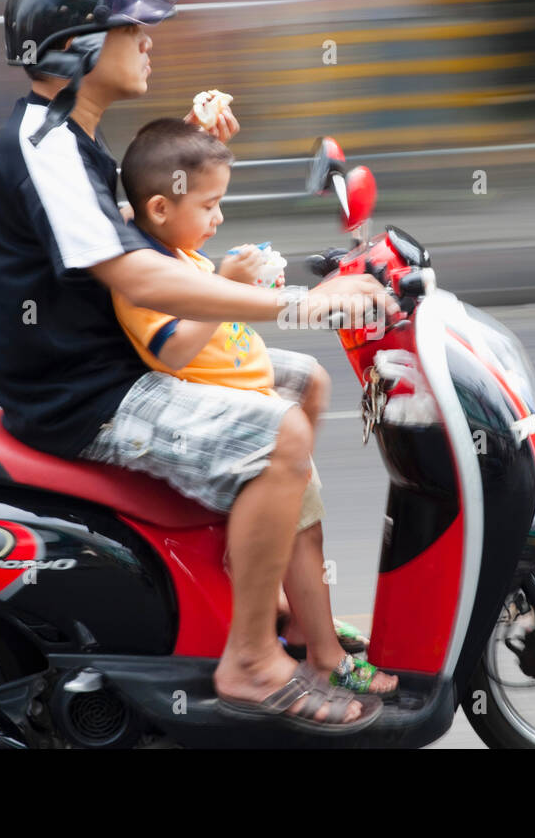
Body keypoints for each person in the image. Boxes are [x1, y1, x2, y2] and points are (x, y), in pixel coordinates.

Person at [0, 0, 397, 730]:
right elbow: (137, 275)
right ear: (80, 47)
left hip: (107, 370)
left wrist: (194, 141)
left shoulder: (72, 144)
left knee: (304, 384)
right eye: (133, 30)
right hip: (86, 395)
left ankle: (300, 627)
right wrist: (301, 305)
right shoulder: (44, 147)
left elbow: (141, 220)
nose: (148, 41)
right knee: (276, 437)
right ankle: (248, 660)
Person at [111, 117, 398, 696]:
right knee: (306, 534)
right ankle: (323, 654)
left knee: (312, 388)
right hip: (239, 413)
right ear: (162, 210)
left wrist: (252, 288)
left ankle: (292, 611)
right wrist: (224, 284)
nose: (218, 218)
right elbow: (173, 350)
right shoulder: (147, 276)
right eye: (211, 205)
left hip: (251, 390)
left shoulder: (173, 251)